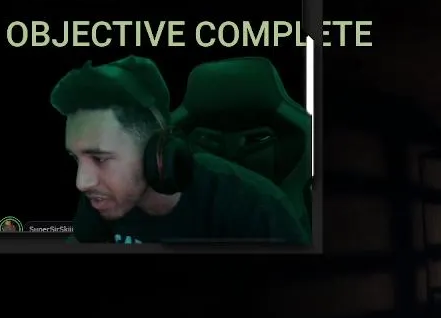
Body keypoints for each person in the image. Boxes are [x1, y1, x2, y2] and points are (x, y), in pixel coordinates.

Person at [50, 56, 310, 244]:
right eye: (76, 158)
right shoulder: (102, 199)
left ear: (158, 152)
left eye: (99, 158)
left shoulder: (257, 208)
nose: (82, 182)